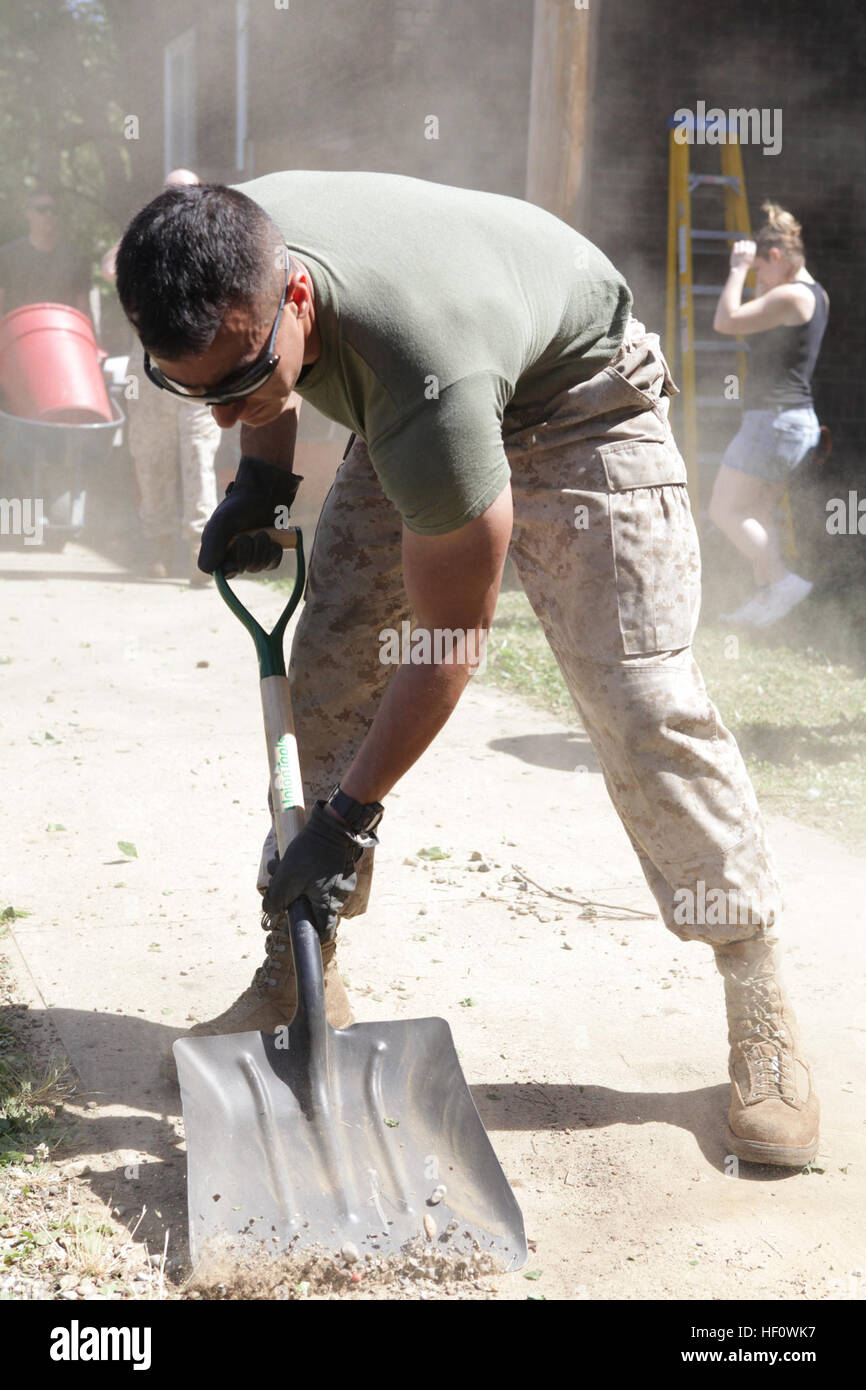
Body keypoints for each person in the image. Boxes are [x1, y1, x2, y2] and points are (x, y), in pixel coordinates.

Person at [115, 173, 820, 1168]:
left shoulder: (420, 382)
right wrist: (262, 477)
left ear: (297, 304)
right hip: (410, 377)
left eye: (239, 389)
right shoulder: (233, 250)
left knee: (640, 703)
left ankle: (758, 997)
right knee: (326, 669)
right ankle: (301, 967)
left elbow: (451, 640)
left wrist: (344, 821)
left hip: (574, 406)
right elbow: (248, 366)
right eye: (190, 388)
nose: (224, 414)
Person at [709, 203, 829, 628]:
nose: (758, 278)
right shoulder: (813, 293)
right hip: (787, 422)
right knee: (756, 512)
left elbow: (726, 321)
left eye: (761, 268)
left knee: (725, 510)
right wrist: (756, 273)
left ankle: (781, 582)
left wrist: (738, 268)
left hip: (774, 422)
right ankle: (765, 601)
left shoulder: (793, 294)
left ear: (776, 258)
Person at [102, 170, 220, 585]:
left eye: (186, 192)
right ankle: (157, 545)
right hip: (150, 363)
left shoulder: (212, 234)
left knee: (198, 454)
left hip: (199, 362)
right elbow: (110, 268)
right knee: (150, 455)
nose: (179, 199)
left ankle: (200, 553)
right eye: (171, 193)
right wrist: (148, 227)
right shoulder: (146, 239)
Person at [0, 185, 91, 320]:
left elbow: (84, 311)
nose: (49, 215)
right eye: (41, 209)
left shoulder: (76, 259)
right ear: (28, 213)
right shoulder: (6, 256)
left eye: (53, 210)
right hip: (18, 335)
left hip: (63, 333)